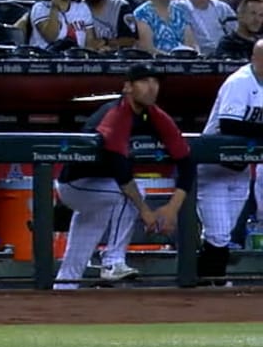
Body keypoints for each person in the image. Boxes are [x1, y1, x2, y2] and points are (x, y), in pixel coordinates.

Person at [54, 64, 194, 288]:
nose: (151, 87)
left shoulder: (155, 115)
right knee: (127, 194)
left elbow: (186, 163)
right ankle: (113, 261)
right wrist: (145, 210)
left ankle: (63, 288)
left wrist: (172, 209)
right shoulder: (116, 113)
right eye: (144, 81)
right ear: (128, 87)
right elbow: (120, 169)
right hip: (76, 184)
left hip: (101, 190)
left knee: (77, 256)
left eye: (155, 82)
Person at [196, 40, 263, 283]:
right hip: (214, 165)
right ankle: (213, 282)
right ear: (255, 58)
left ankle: (208, 280)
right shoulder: (240, 82)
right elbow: (230, 125)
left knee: (222, 233)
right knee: (219, 233)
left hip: (240, 168)